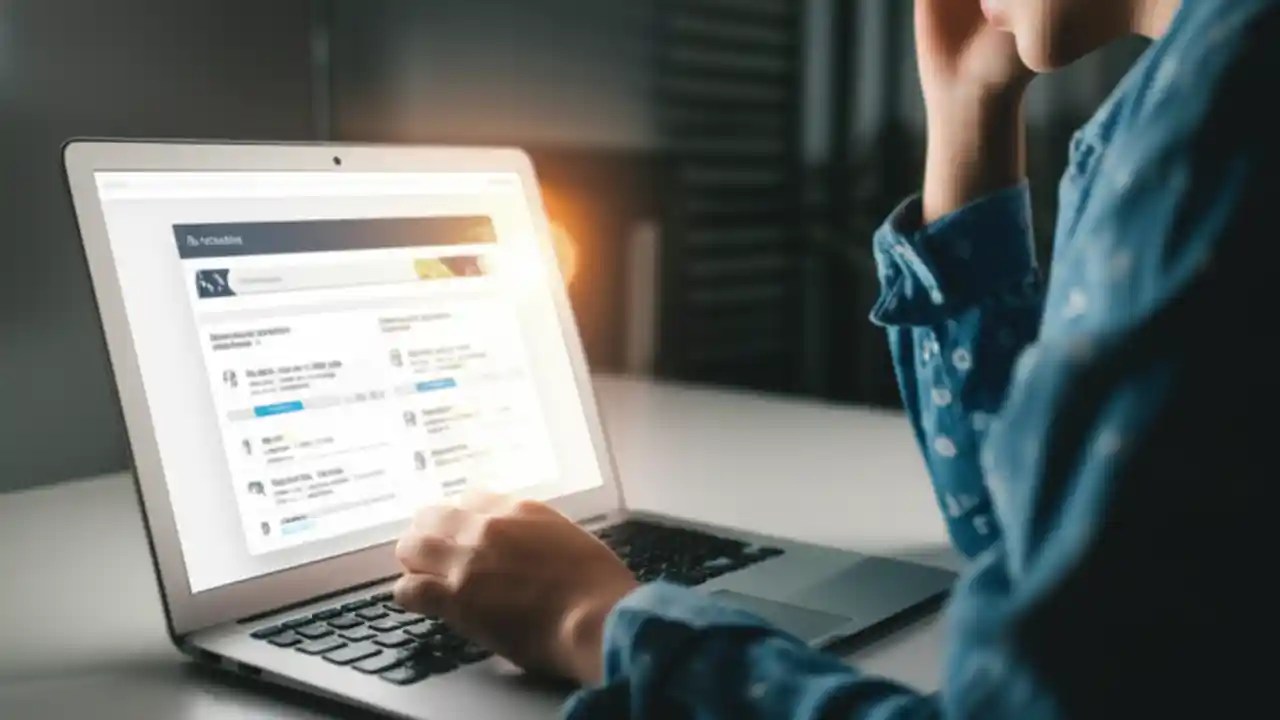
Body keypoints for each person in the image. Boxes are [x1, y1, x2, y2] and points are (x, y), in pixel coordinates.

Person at [391, 0, 1276, 717]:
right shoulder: (1180, 99)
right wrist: (969, 108)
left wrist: (601, 622)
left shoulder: (1223, 123)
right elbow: (1026, 536)